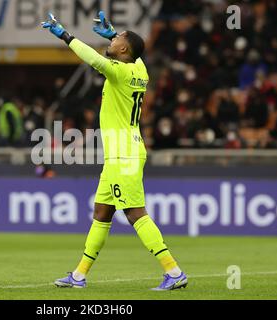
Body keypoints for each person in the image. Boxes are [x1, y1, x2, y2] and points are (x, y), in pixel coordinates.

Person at [42, 11, 187, 291]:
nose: (113, 38)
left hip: (124, 154)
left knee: (134, 213)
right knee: (101, 213)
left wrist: (65, 36)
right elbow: (136, 51)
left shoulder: (118, 71)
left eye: (117, 38)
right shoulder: (140, 70)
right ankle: (79, 275)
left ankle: (173, 270)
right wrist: (113, 34)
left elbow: (94, 59)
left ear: (123, 50)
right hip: (122, 152)